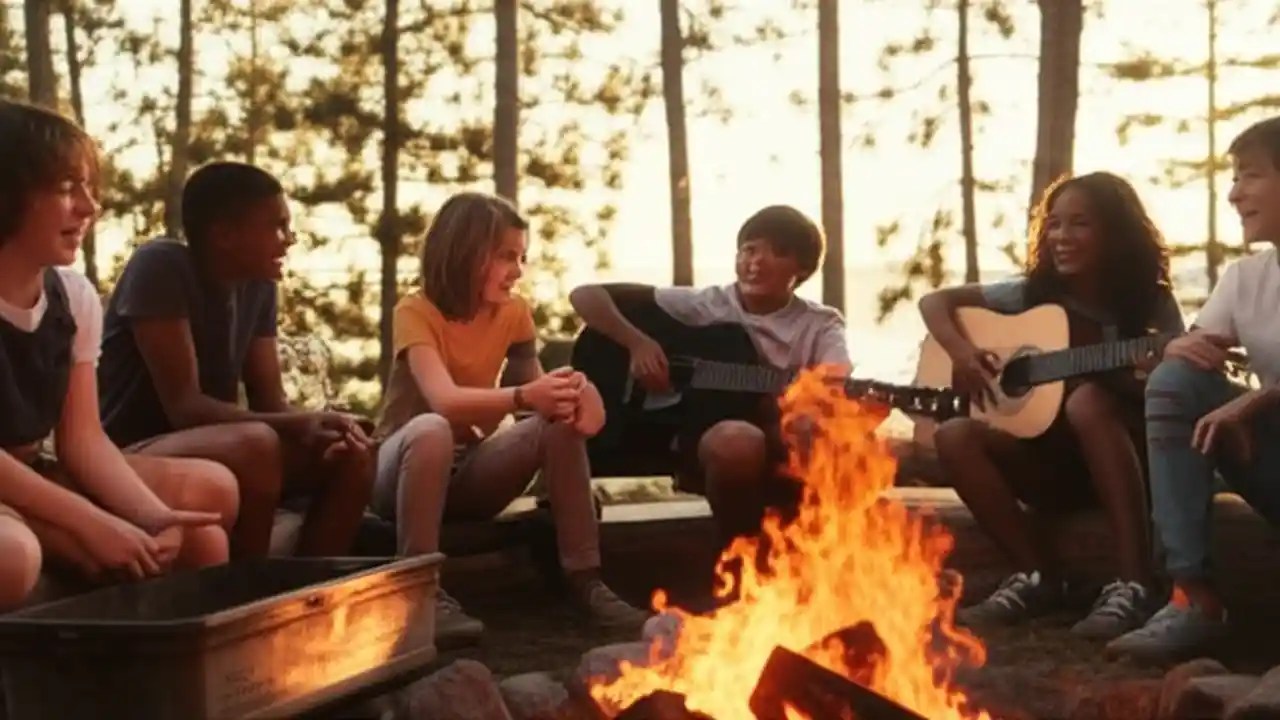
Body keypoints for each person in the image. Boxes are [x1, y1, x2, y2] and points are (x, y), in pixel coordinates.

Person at [919, 172, 1183, 641]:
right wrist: (962, 353)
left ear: (1114, 232)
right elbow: (935, 301)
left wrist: (1137, 376)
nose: (1061, 237)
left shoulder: (1149, 302)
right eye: (1054, 224)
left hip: (1121, 463)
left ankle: (1135, 582)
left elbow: (1174, 390)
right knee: (952, 434)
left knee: (1087, 400)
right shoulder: (1032, 295)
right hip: (1047, 463)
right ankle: (1038, 577)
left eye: (1079, 224)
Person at [373, 191, 648, 631]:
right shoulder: (415, 311)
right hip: (401, 474)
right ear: (466, 252)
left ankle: (586, 582)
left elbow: (534, 401)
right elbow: (444, 399)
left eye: (521, 257)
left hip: (469, 476)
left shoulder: (513, 312)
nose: (517, 271)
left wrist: (571, 393)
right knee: (431, 428)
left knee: (552, 424)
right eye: (506, 257)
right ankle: (421, 593)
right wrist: (525, 397)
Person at [0, 100, 236, 609]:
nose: (89, 207)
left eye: (89, 188)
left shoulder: (72, 297)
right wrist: (88, 521)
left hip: (27, 471)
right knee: (11, 557)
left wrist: (150, 515)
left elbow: (82, 439)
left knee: (201, 535)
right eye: (67, 189)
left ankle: (180, 680)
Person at [97, 161, 374, 559]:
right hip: (133, 452)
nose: (289, 239)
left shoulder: (258, 285)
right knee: (256, 445)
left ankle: (307, 589)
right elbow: (184, 407)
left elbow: (270, 402)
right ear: (224, 235)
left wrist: (323, 426)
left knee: (354, 452)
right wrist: (298, 422)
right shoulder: (160, 267)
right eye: (276, 226)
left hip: (217, 442)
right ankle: (249, 586)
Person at [569, 205, 850, 546]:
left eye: (776, 253)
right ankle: (741, 556)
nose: (756, 262)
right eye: (749, 249)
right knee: (737, 441)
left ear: (802, 269)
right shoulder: (707, 303)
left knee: (813, 428)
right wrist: (638, 344)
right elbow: (585, 295)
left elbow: (836, 383)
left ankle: (816, 550)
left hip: (780, 429)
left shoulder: (820, 323)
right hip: (699, 433)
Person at [1106, 117, 1280, 661]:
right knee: (1176, 380)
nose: (1234, 194)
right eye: (1233, 178)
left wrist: (1256, 400)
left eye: (1250, 176)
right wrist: (1177, 347)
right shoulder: (1246, 278)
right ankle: (1192, 599)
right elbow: (1193, 352)